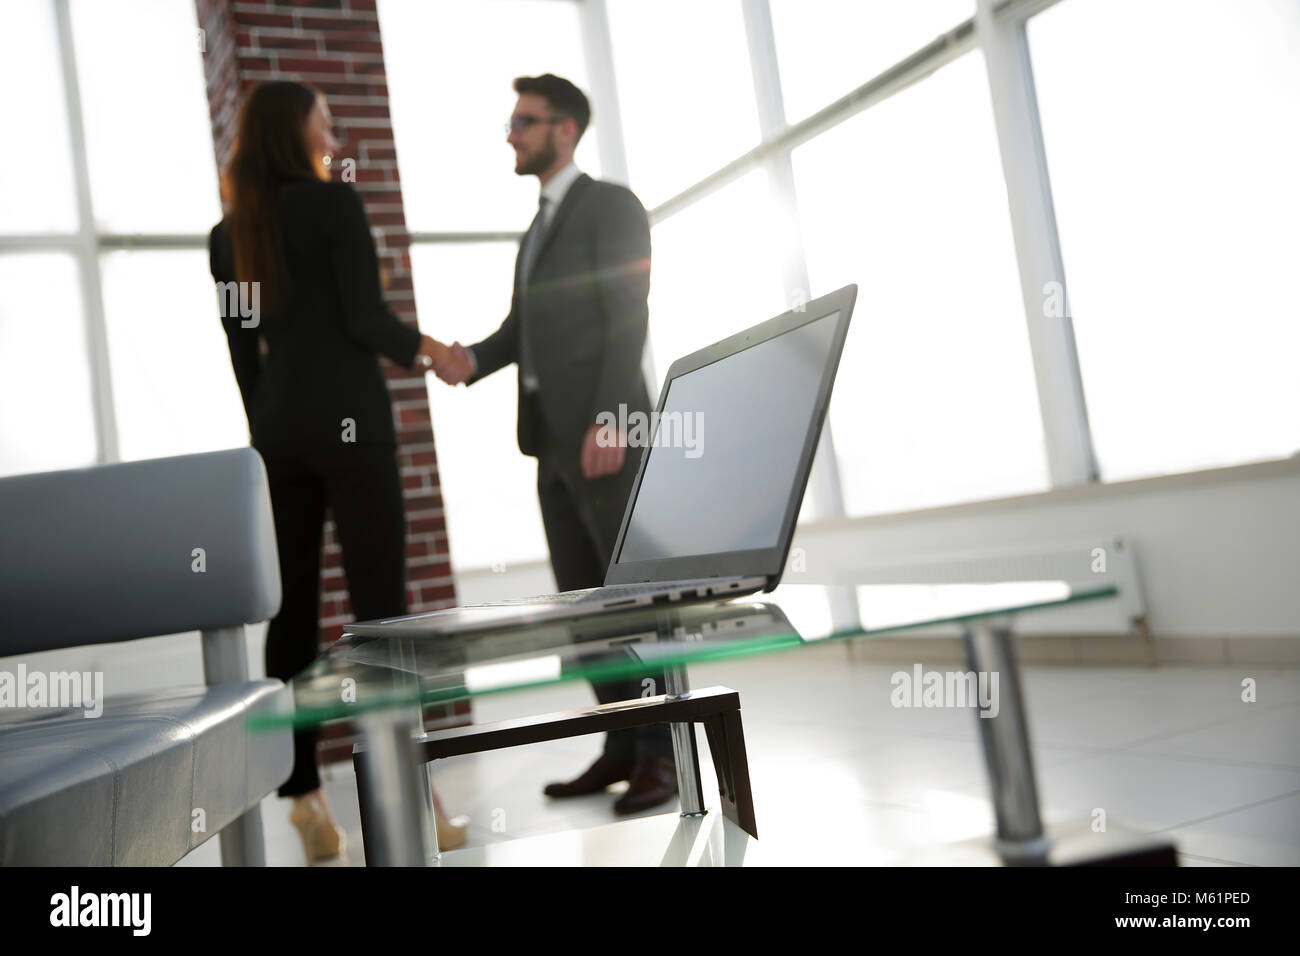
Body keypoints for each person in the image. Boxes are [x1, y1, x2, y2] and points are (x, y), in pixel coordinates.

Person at [208, 80, 465, 863]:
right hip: (354, 432)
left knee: (292, 617)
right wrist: (436, 353)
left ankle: (304, 800)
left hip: (281, 437)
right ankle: (411, 789)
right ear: (297, 128)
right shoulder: (333, 206)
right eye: (325, 115)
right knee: (380, 610)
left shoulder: (230, 234)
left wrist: (269, 437)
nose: (335, 126)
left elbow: (244, 351)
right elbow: (364, 319)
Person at [431, 74, 677, 814]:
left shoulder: (612, 206)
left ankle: (664, 755)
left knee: (628, 601)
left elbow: (628, 310)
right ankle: (621, 741)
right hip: (550, 443)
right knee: (585, 606)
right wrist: (470, 359)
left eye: (525, 122)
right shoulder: (535, 229)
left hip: (605, 433)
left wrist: (609, 416)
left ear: (565, 130)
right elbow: (522, 331)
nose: (512, 134)